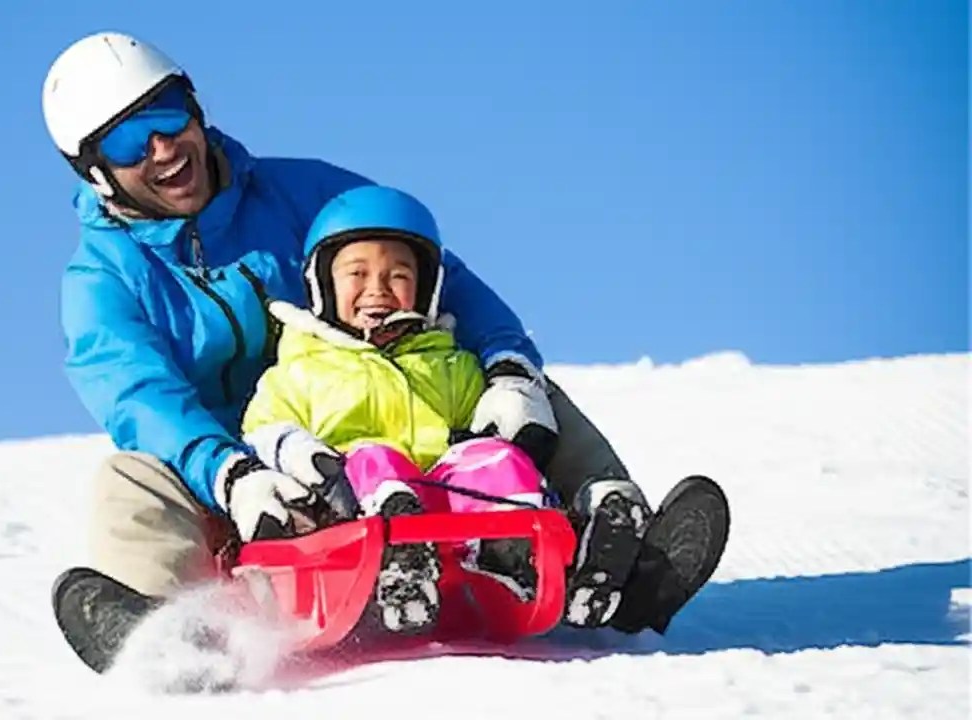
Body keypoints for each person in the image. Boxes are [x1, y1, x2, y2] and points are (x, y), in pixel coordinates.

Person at [41, 31, 724, 675]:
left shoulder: (303, 193)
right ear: (97, 171)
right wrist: (234, 474)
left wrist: (509, 365)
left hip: (383, 422)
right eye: (130, 140)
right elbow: (139, 398)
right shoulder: (102, 282)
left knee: (524, 392)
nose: (162, 147)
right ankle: (177, 643)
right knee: (129, 478)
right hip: (247, 475)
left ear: (195, 107)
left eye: (168, 114)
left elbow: (434, 274)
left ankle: (626, 562)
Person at [241, 185, 557, 635]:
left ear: (426, 288)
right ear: (323, 285)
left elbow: (483, 432)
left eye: (398, 275)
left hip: (449, 514)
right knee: (375, 457)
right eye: (357, 273)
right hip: (346, 519)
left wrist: (504, 429)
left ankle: (508, 554)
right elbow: (262, 429)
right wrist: (298, 451)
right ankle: (400, 553)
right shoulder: (300, 371)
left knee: (497, 458)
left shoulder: (448, 364)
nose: (378, 290)